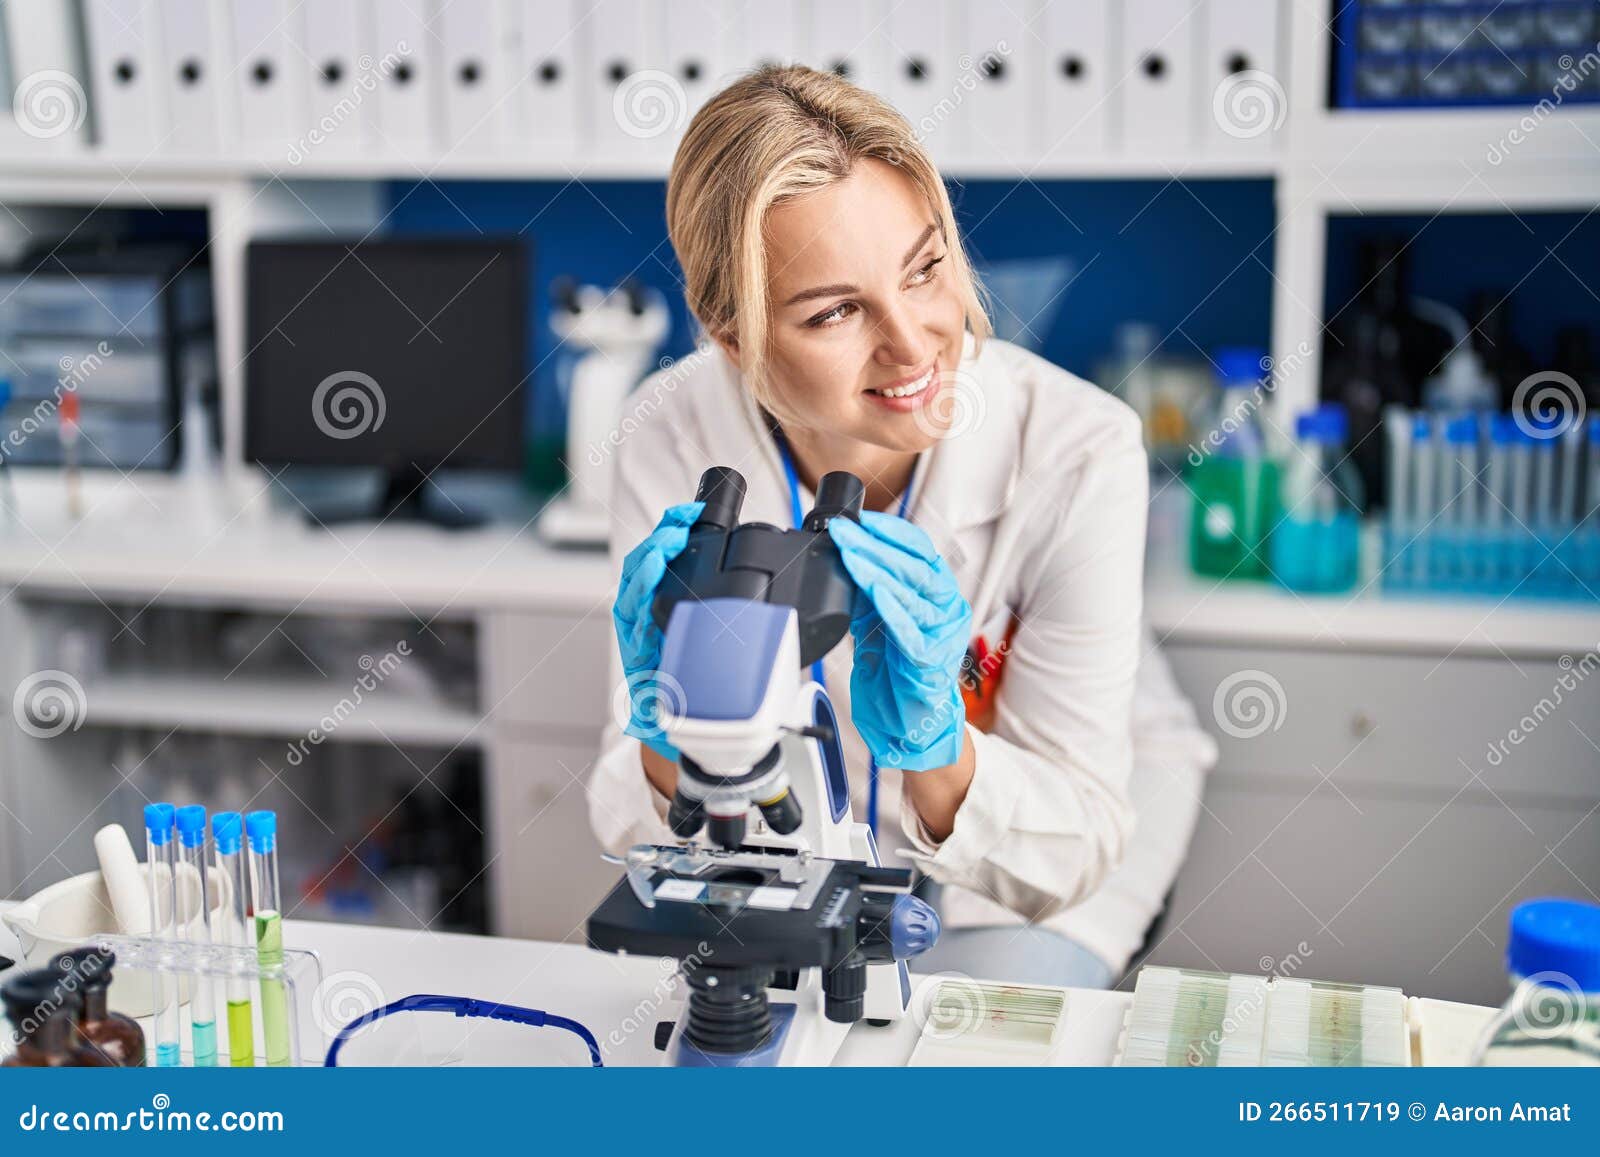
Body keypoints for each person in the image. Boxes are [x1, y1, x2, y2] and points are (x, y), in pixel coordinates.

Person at [588, 65, 1216, 988]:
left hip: (1037, 841)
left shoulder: (1079, 450)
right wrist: (665, 729)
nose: (918, 344)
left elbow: (1074, 837)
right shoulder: (669, 431)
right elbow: (643, 821)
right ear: (732, 337)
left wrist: (939, 745)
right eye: (836, 310)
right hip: (794, 846)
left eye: (925, 268)